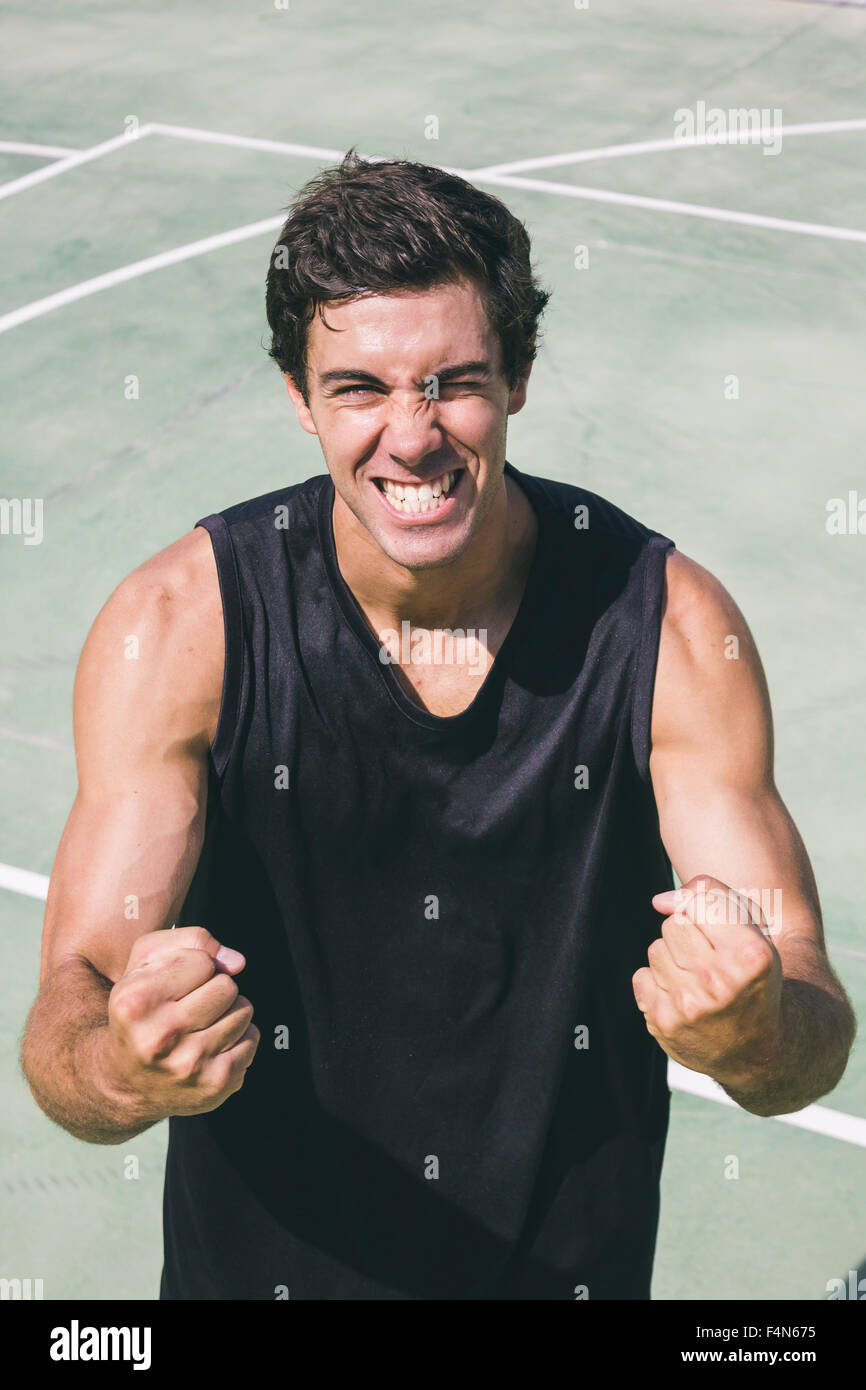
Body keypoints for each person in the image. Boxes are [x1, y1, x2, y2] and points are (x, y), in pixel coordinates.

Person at [20, 153, 855, 1301]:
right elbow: (69, 1020)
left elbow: (805, 1019)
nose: (409, 437)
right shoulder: (178, 627)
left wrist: (750, 1026)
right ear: (298, 397)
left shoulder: (664, 628)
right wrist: (123, 1059)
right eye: (358, 387)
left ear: (515, 377)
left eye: (452, 381)